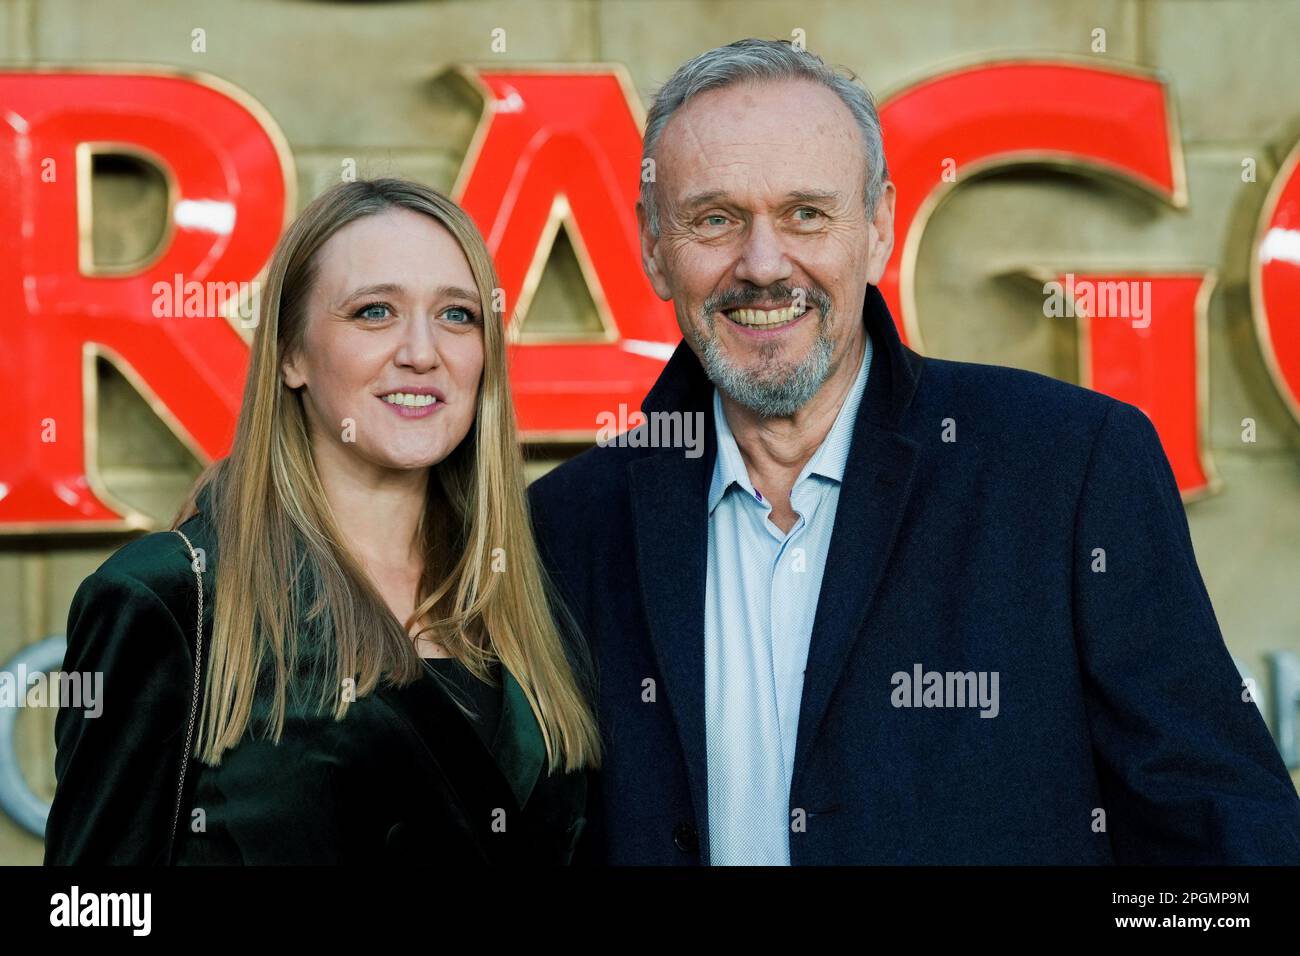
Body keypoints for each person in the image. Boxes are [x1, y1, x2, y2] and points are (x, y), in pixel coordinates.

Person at [527, 39, 1300, 864]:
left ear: (879, 229)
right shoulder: (569, 525)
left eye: (806, 214)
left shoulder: (1070, 468)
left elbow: (1225, 832)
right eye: (714, 219)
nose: (761, 264)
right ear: (652, 244)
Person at [46, 178, 600, 865]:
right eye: (374, 312)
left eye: (458, 316)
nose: (422, 352)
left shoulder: (534, 592)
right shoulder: (168, 598)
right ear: (290, 355)